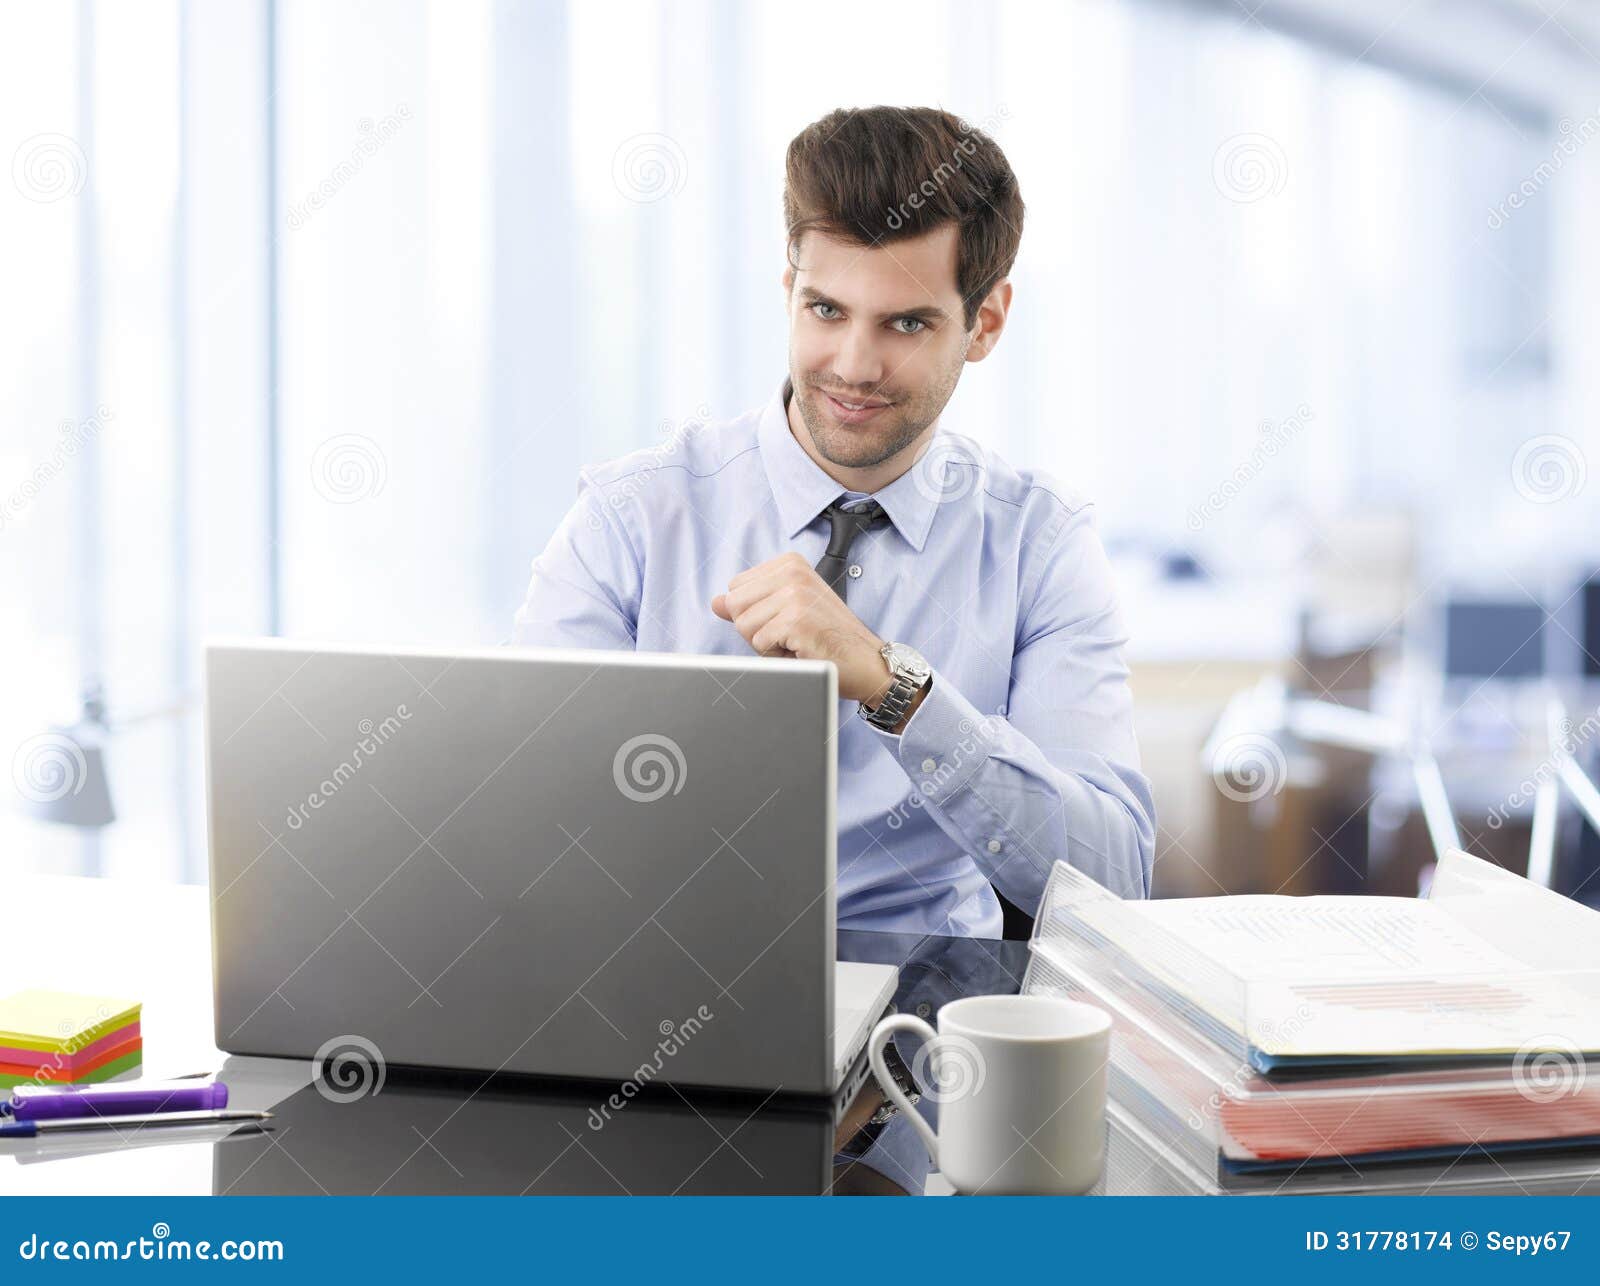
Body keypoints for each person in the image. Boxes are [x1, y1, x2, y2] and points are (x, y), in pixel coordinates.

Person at [514, 105, 1155, 940]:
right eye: (826, 311)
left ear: (985, 324)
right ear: (789, 292)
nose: (853, 366)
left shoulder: (1040, 543)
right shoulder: (631, 521)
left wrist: (900, 690)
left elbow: (1112, 883)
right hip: (658, 991)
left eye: (907, 323)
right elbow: (522, 824)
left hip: (925, 1021)